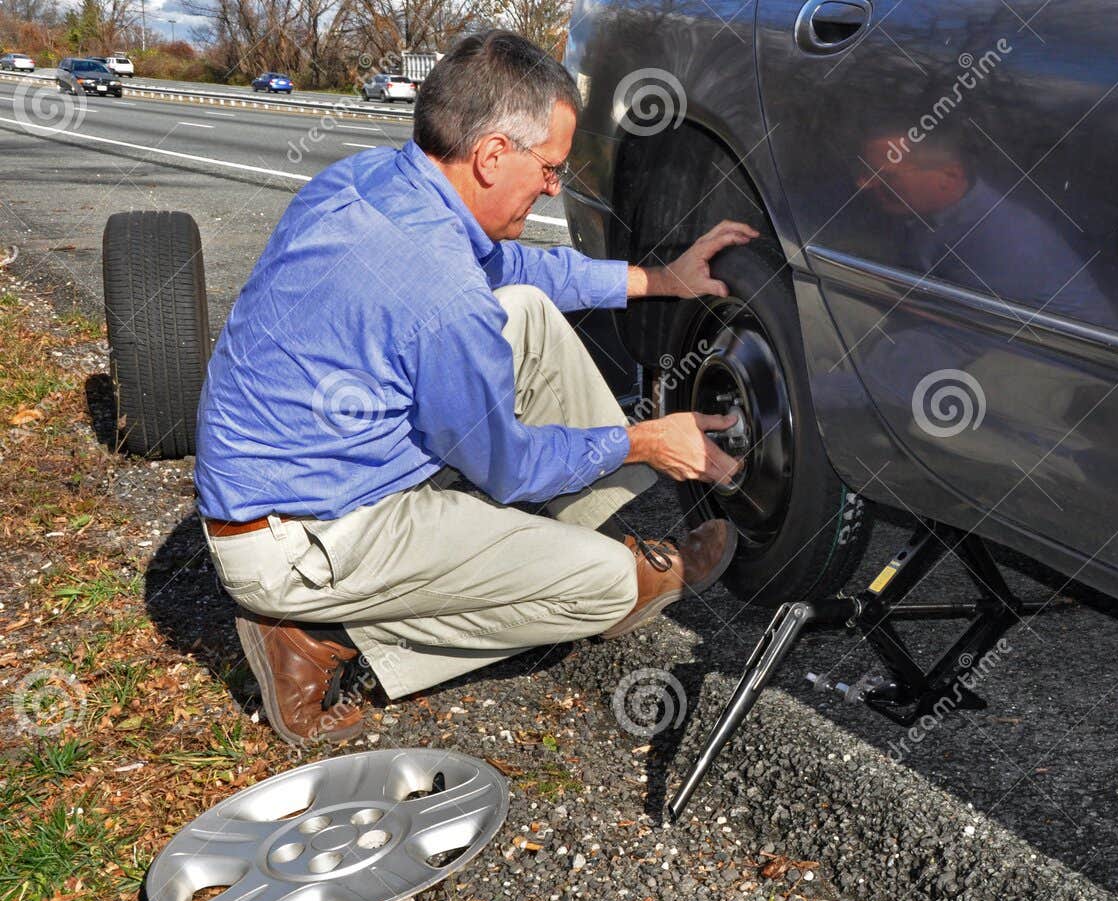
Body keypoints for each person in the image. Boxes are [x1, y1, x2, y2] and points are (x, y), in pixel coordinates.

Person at [193, 30, 758, 746]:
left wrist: (656, 281)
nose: (555, 185)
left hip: (303, 474)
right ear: (493, 155)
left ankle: (559, 538)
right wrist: (643, 438)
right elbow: (512, 464)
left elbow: (520, 270)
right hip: (302, 539)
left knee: (525, 313)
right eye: (550, 168)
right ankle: (321, 635)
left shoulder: (371, 179)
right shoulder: (441, 294)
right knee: (609, 590)